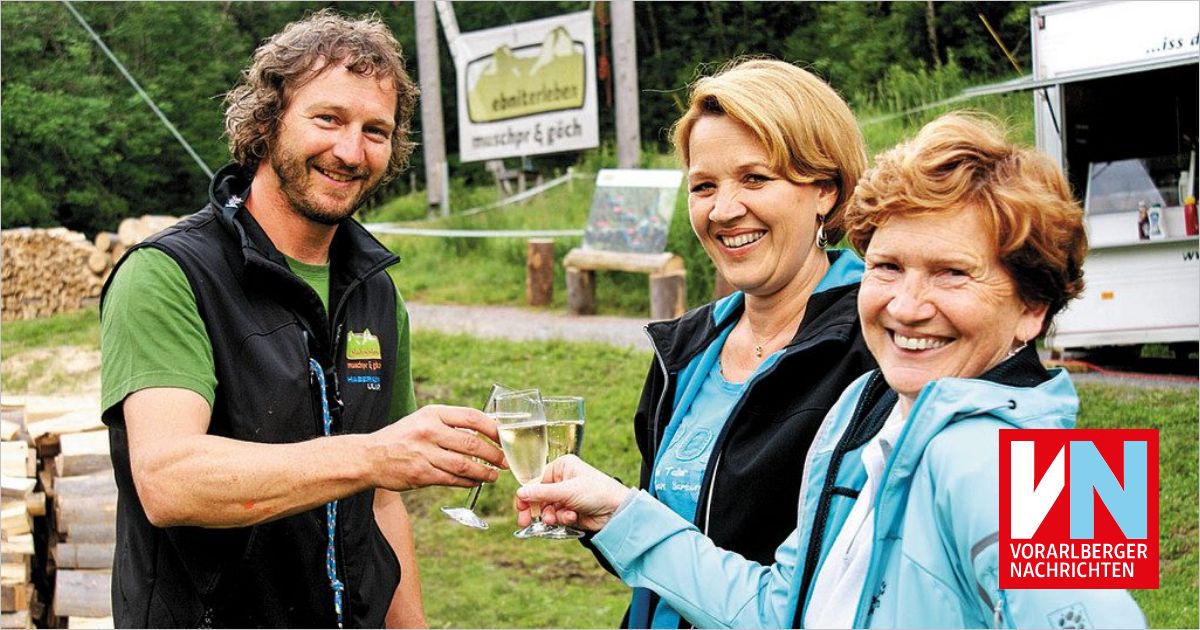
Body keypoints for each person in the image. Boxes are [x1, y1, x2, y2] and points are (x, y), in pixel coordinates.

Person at [516, 113, 1147, 628]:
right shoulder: (867, 409)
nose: (905, 306)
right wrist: (618, 512)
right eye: (888, 266)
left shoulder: (1059, 463)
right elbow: (778, 610)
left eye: (953, 272)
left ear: (1032, 307)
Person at [99, 10, 505, 628]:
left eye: (376, 130)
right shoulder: (169, 275)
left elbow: (382, 500)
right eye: (328, 119)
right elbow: (168, 479)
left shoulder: (374, 290)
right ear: (267, 122)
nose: (351, 150)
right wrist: (371, 455)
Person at [581, 58, 874, 628]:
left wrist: (621, 514)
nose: (724, 210)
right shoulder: (688, 349)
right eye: (704, 186)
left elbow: (801, 605)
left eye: (755, 178)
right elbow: (670, 547)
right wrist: (601, 514)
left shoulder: (879, 346)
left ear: (826, 191)